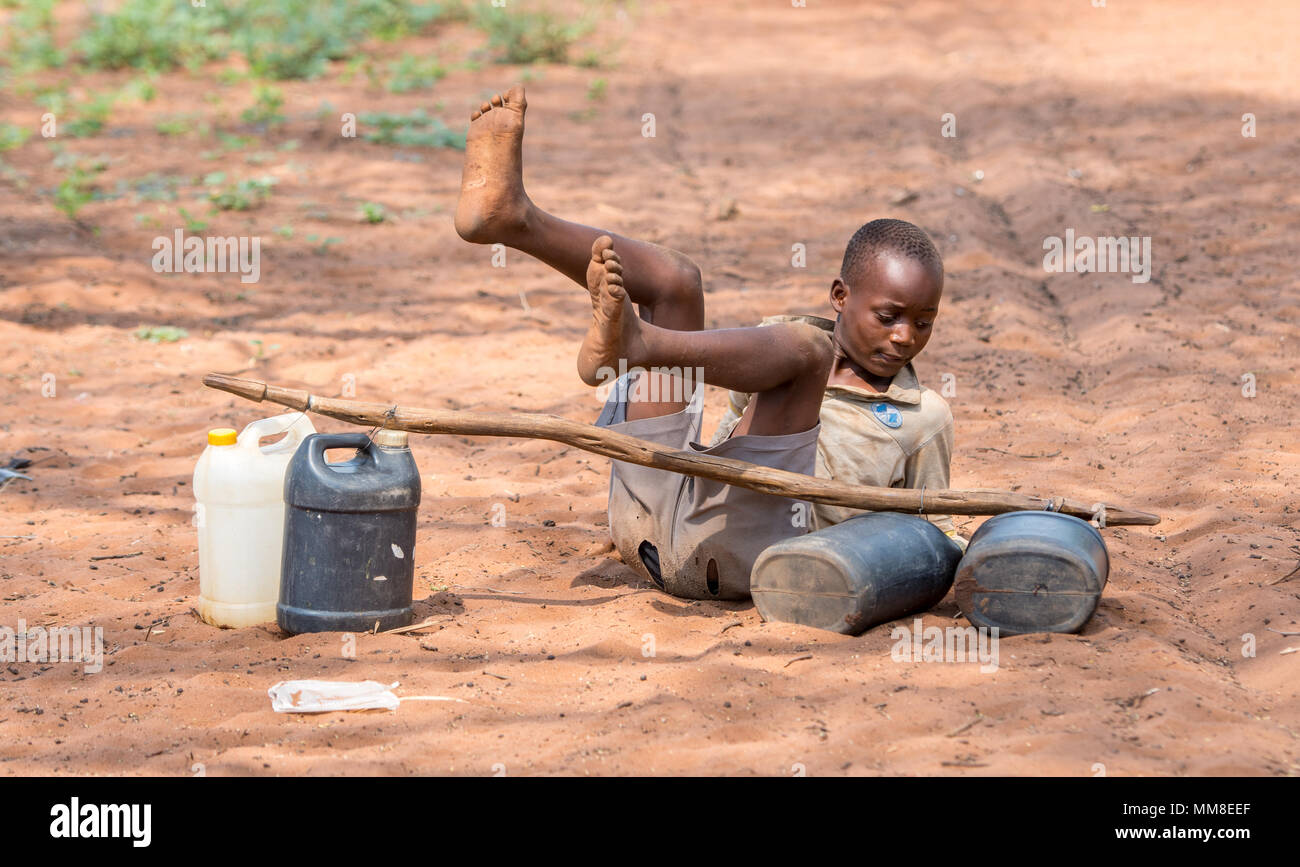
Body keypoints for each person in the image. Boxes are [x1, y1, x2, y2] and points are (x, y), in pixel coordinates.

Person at [455, 85, 962, 601]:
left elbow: (928, 538)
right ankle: (515, 219)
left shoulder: (923, 416)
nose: (904, 336)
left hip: (747, 562)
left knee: (808, 350)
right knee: (677, 280)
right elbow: (729, 443)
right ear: (840, 295)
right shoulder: (776, 349)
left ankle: (642, 344)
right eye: (888, 316)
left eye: (924, 322)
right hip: (654, 510)